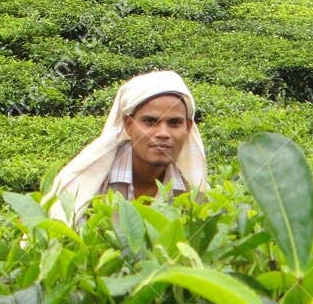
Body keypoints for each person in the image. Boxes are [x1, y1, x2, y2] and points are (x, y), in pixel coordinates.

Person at [41, 70, 208, 226]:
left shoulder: (190, 193)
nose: (163, 133)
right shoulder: (91, 184)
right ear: (129, 124)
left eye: (174, 123)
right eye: (150, 122)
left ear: (187, 128)